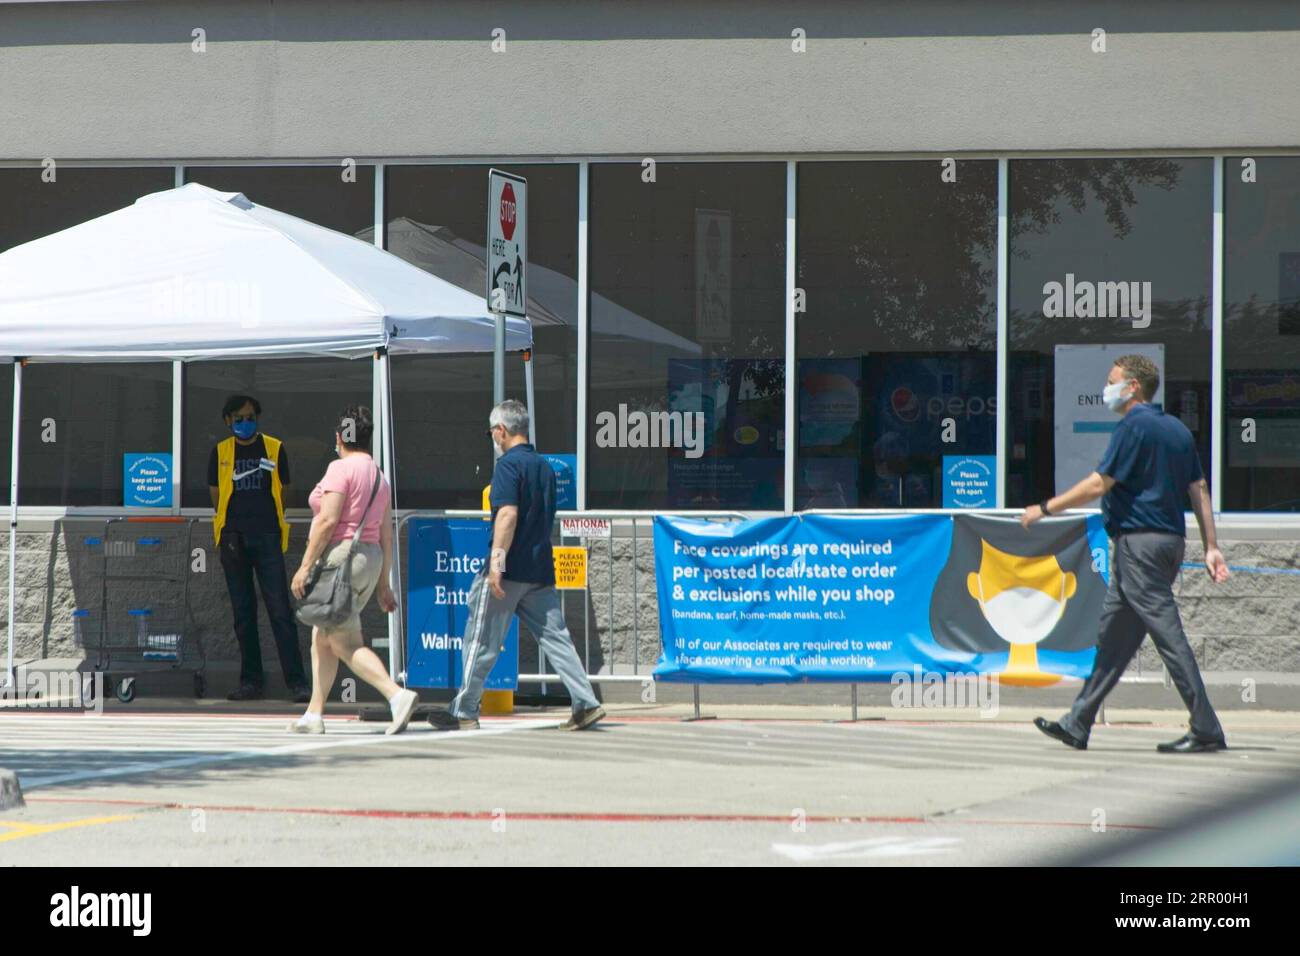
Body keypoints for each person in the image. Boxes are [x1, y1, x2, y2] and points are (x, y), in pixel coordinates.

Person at [1022, 354, 1229, 754]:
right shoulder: (1177, 430)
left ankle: (1206, 727)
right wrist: (1211, 546)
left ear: (1133, 386)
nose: (1107, 388)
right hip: (1166, 543)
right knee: (1114, 638)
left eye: (1112, 380)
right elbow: (1199, 489)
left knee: (1169, 637)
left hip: (1140, 546)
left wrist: (1045, 508)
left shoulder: (1132, 427)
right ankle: (1078, 722)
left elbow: (1099, 484)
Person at [427, 399, 604, 732]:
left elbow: (507, 514)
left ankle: (464, 709)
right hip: (539, 570)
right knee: (557, 639)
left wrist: (497, 564)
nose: (493, 438)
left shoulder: (508, 466)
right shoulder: (545, 467)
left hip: (509, 572)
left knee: (480, 639)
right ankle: (586, 702)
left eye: (493, 432)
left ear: (501, 430)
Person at [287, 406, 418, 735]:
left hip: (341, 560)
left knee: (345, 642)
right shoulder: (378, 475)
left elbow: (328, 520)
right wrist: (384, 583)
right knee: (323, 635)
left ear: (340, 437)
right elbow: (387, 532)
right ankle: (314, 713)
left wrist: (304, 567)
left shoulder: (339, 468)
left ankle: (396, 695)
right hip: (369, 559)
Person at [210, 395, 309, 702]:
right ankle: (250, 682)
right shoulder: (220, 451)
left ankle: (297, 683)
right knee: (243, 613)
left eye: (250, 416)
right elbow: (216, 495)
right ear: (228, 421)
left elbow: (285, 490)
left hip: (267, 536)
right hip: (233, 539)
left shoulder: (275, 448)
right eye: (238, 418)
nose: (245, 422)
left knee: (280, 610)